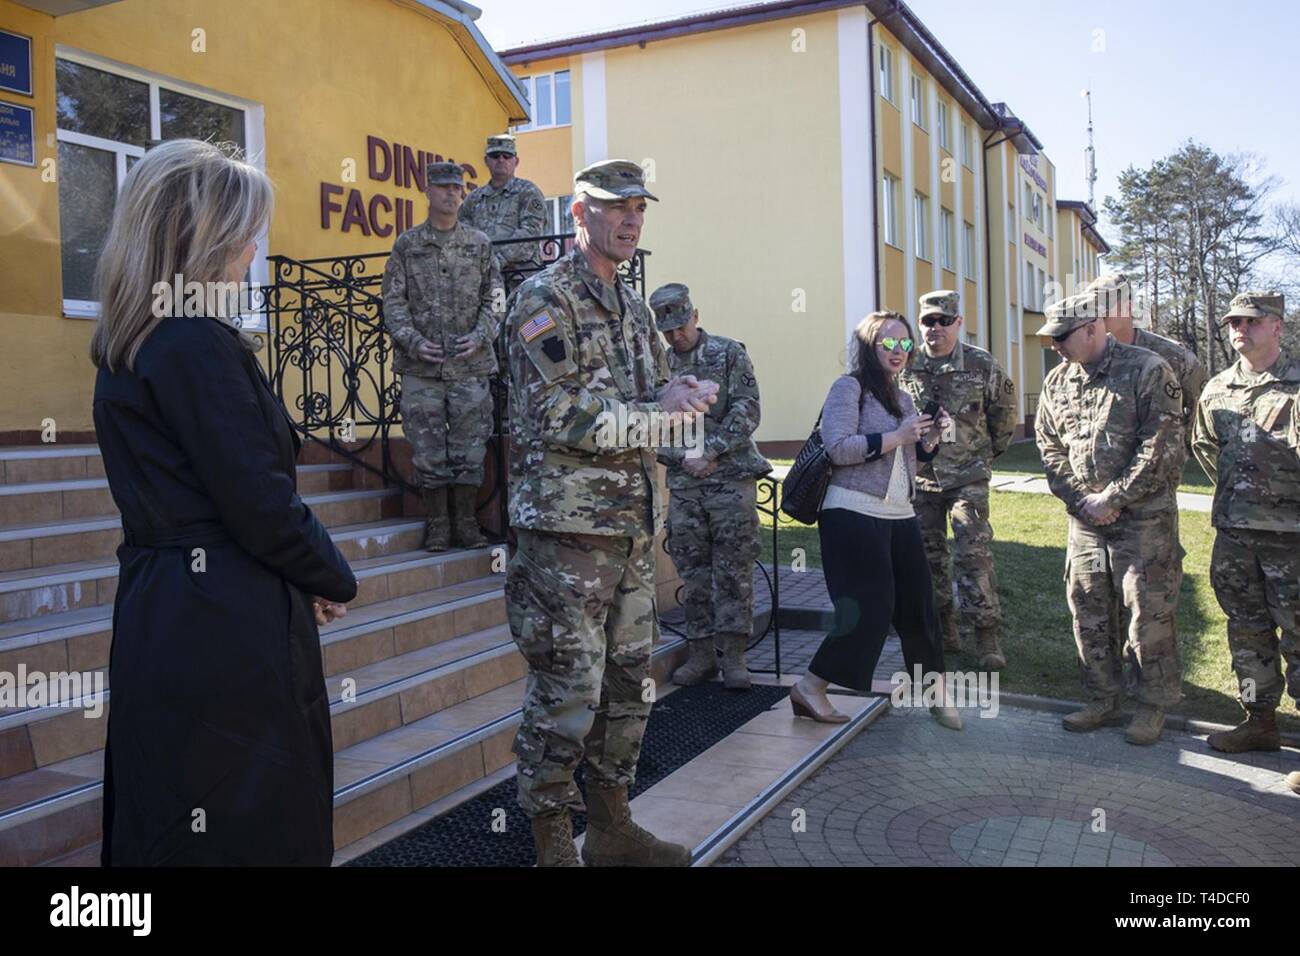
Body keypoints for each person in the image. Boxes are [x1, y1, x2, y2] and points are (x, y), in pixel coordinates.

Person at [89, 139, 357, 865]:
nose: (252, 253)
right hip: (223, 623)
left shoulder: (131, 340)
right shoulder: (195, 344)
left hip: (164, 611)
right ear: (203, 240)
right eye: (246, 235)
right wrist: (330, 575)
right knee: (247, 823)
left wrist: (302, 573)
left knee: (173, 811)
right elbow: (258, 500)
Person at [504, 159, 721, 866]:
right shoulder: (544, 299)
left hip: (630, 531)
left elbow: (651, 395)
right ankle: (548, 842)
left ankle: (609, 826)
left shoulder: (631, 307)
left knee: (630, 685)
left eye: (639, 208)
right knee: (568, 689)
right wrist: (654, 413)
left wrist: (679, 392)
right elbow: (560, 415)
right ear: (579, 213)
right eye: (615, 207)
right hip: (567, 536)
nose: (630, 219)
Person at [790, 311, 960, 730]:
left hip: (899, 512)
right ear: (869, 345)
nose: (899, 351)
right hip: (851, 512)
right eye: (889, 343)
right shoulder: (848, 388)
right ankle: (811, 686)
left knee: (920, 607)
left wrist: (929, 438)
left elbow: (908, 461)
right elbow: (839, 448)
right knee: (869, 609)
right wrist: (898, 436)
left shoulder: (901, 398)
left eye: (905, 344)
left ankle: (935, 692)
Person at [1034, 291, 1184, 745]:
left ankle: (1151, 705)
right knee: (1087, 606)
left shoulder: (1147, 369)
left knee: (1147, 611)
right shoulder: (1058, 382)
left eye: (1063, 336)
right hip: (1085, 521)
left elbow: (1160, 445)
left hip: (1142, 519)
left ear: (1093, 328)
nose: (1055, 345)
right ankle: (1102, 697)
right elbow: (1048, 445)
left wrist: (1114, 497)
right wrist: (1082, 501)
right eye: (1051, 338)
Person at [1191, 291, 1300, 795]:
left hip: (1292, 539)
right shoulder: (1217, 388)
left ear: (1276, 326)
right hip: (1235, 536)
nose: (1240, 329)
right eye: (1234, 321)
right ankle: (1259, 720)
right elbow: (1206, 448)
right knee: (1247, 632)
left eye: (1252, 321)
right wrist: (1244, 497)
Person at [650, 282, 772, 691]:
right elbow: (651, 421)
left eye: (680, 326)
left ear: (695, 316)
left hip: (729, 480)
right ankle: (701, 655)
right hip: (685, 485)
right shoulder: (660, 366)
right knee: (693, 573)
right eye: (667, 331)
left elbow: (747, 407)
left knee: (733, 571)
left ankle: (734, 657)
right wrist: (685, 457)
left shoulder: (728, 353)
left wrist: (712, 452)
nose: (675, 336)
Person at [382, 161, 503, 550]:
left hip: (470, 365)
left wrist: (482, 335)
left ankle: (466, 524)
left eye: (458, 188)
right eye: (444, 187)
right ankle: (436, 524)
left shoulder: (480, 244)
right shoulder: (408, 245)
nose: (453, 194)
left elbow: (496, 300)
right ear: (428, 191)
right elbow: (392, 302)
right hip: (423, 366)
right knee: (428, 448)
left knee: (470, 447)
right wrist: (412, 340)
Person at [899, 289, 1017, 669]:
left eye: (944, 321)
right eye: (928, 321)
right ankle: (944, 628)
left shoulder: (982, 365)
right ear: (920, 325)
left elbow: (1004, 417)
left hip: (968, 475)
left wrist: (982, 455)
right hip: (921, 478)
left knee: (973, 554)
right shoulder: (904, 365)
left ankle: (987, 637)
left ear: (958, 323)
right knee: (927, 558)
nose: (936, 328)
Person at [1088, 272, 1207, 447]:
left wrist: (1180, 451)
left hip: (1159, 466)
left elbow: (1203, 409)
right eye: (1091, 309)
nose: (1096, 315)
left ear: (1127, 307)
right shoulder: (1086, 358)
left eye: (1103, 309)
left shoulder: (1173, 356)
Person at [459, 133, 548, 290]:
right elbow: (462, 234)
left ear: (516, 161)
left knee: (522, 315)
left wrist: (497, 260)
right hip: (489, 283)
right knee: (497, 312)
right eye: (495, 155)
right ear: (486, 161)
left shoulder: (528, 192)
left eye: (507, 156)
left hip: (521, 278)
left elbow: (531, 232)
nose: (501, 160)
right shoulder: (474, 199)